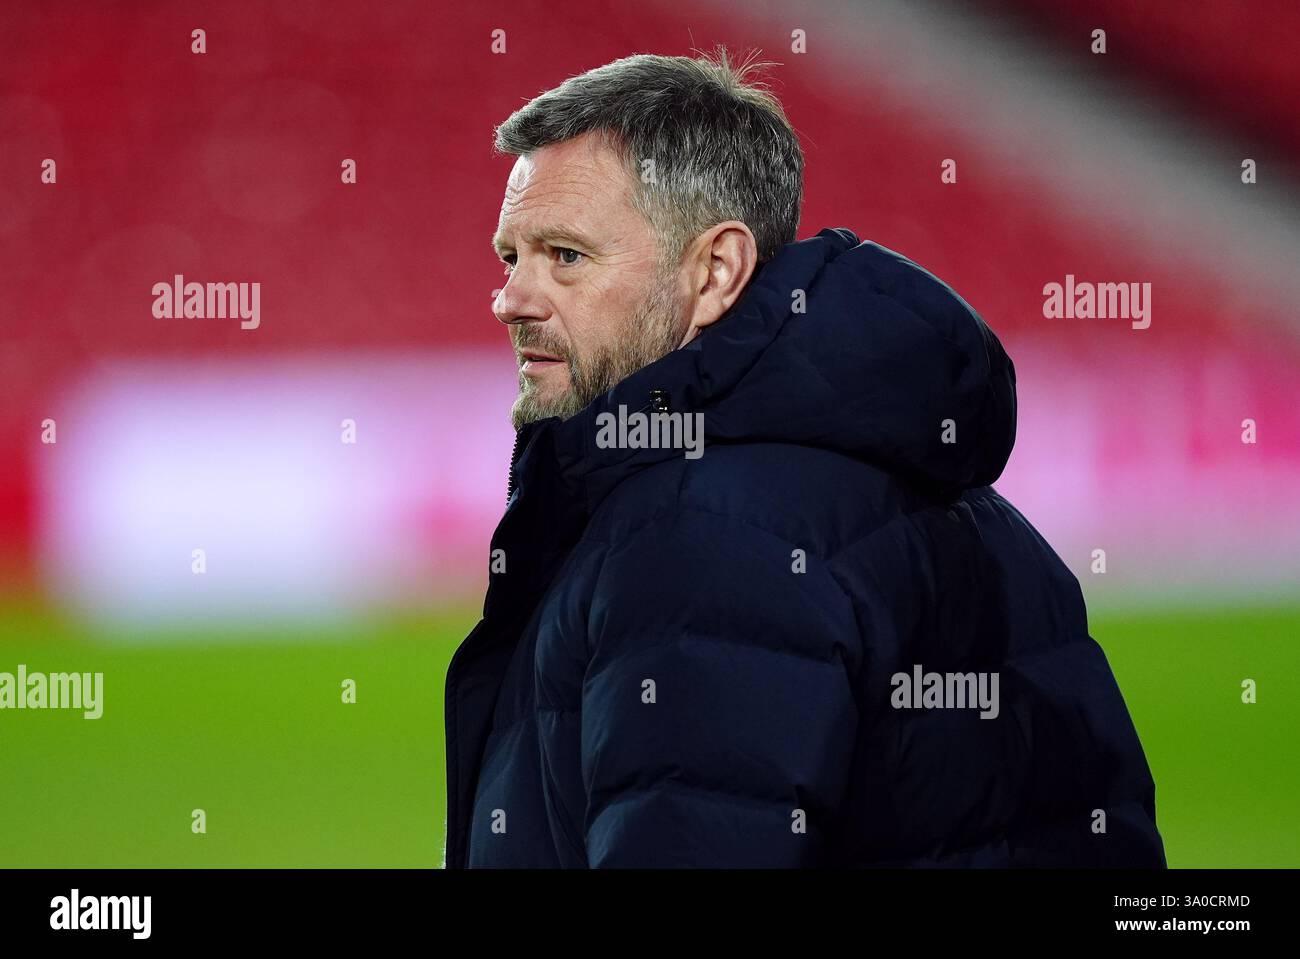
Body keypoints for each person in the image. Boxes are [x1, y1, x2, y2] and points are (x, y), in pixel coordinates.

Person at [442, 48, 1166, 868]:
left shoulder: (696, 537)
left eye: (565, 255)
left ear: (716, 270)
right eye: (511, 255)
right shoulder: (972, 513)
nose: (511, 299)